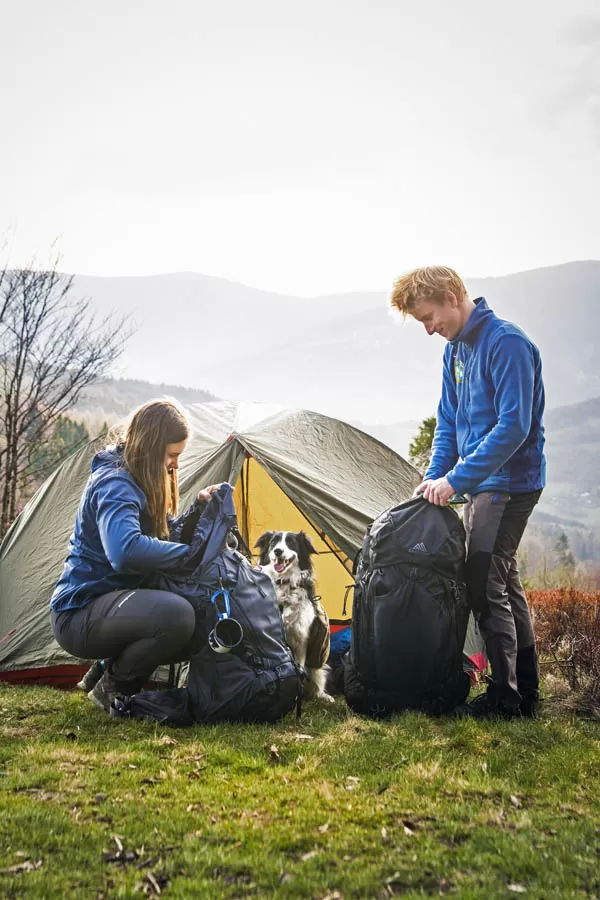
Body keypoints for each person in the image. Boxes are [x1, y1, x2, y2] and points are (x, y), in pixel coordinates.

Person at [390, 266, 546, 718]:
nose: (428, 328)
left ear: (453, 295)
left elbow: (513, 426)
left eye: (429, 316)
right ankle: (525, 692)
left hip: (509, 485)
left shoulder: (507, 343)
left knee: (484, 582)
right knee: (503, 580)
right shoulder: (455, 351)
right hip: (482, 485)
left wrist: (456, 480)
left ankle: (505, 697)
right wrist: (435, 474)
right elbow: (449, 423)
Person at [50, 399, 220, 712]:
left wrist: (198, 507)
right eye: (172, 455)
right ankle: (113, 688)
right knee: (177, 616)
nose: (176, 465)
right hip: (79, 612)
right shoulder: (115, 483)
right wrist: (189, 556)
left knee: (201, 616)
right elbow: (124, 551)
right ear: (152, 447)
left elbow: (165, 535)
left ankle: (103, 670)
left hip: (114, 606)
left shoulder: (140, 480)